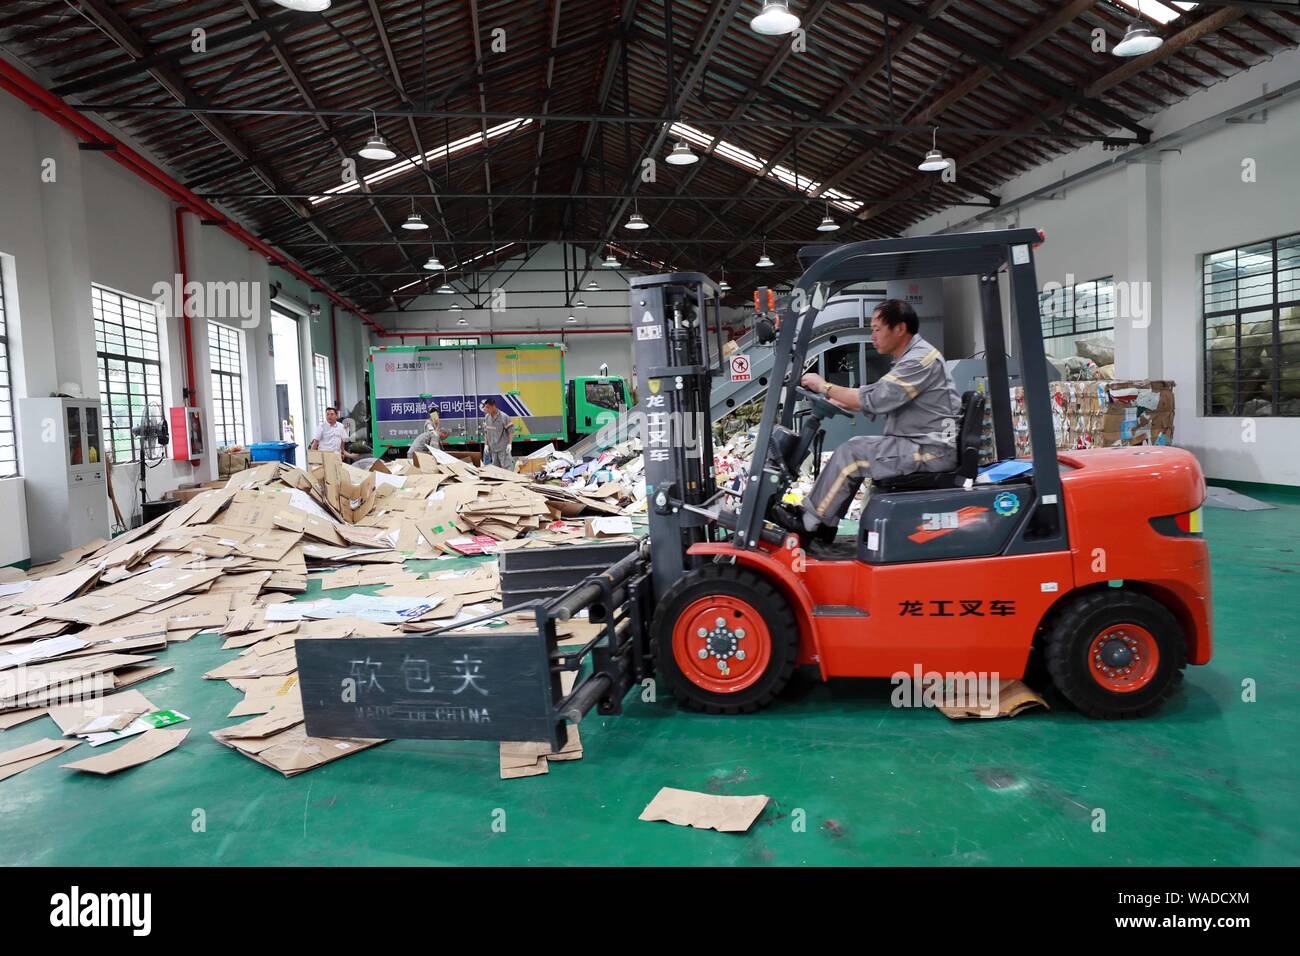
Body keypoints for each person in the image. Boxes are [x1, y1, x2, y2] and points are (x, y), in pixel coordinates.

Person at [772, 299, 961, 544]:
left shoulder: (918, 361)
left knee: (852, 453)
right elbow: (877, 393)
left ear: (900, 328)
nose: (872, 336)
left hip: (930, 451)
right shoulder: (912, 357)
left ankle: (809, 525)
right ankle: (824, 523)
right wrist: (841, 400)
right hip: (919, 443)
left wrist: (824, 386)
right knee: (855, 447)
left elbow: (874, 398)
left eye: (876, 329)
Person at [480, 398, 515, 471]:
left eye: (488, 407)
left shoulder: (504, 417)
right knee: (496, 469)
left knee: (507, 468)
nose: (486, 409)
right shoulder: (487, 417)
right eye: (485, 407)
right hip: (493, 448)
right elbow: (486, 432)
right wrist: (486, 445)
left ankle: (509, 481)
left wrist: (509, 444)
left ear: (493, 406)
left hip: (503, 448)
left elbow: (511, 431)